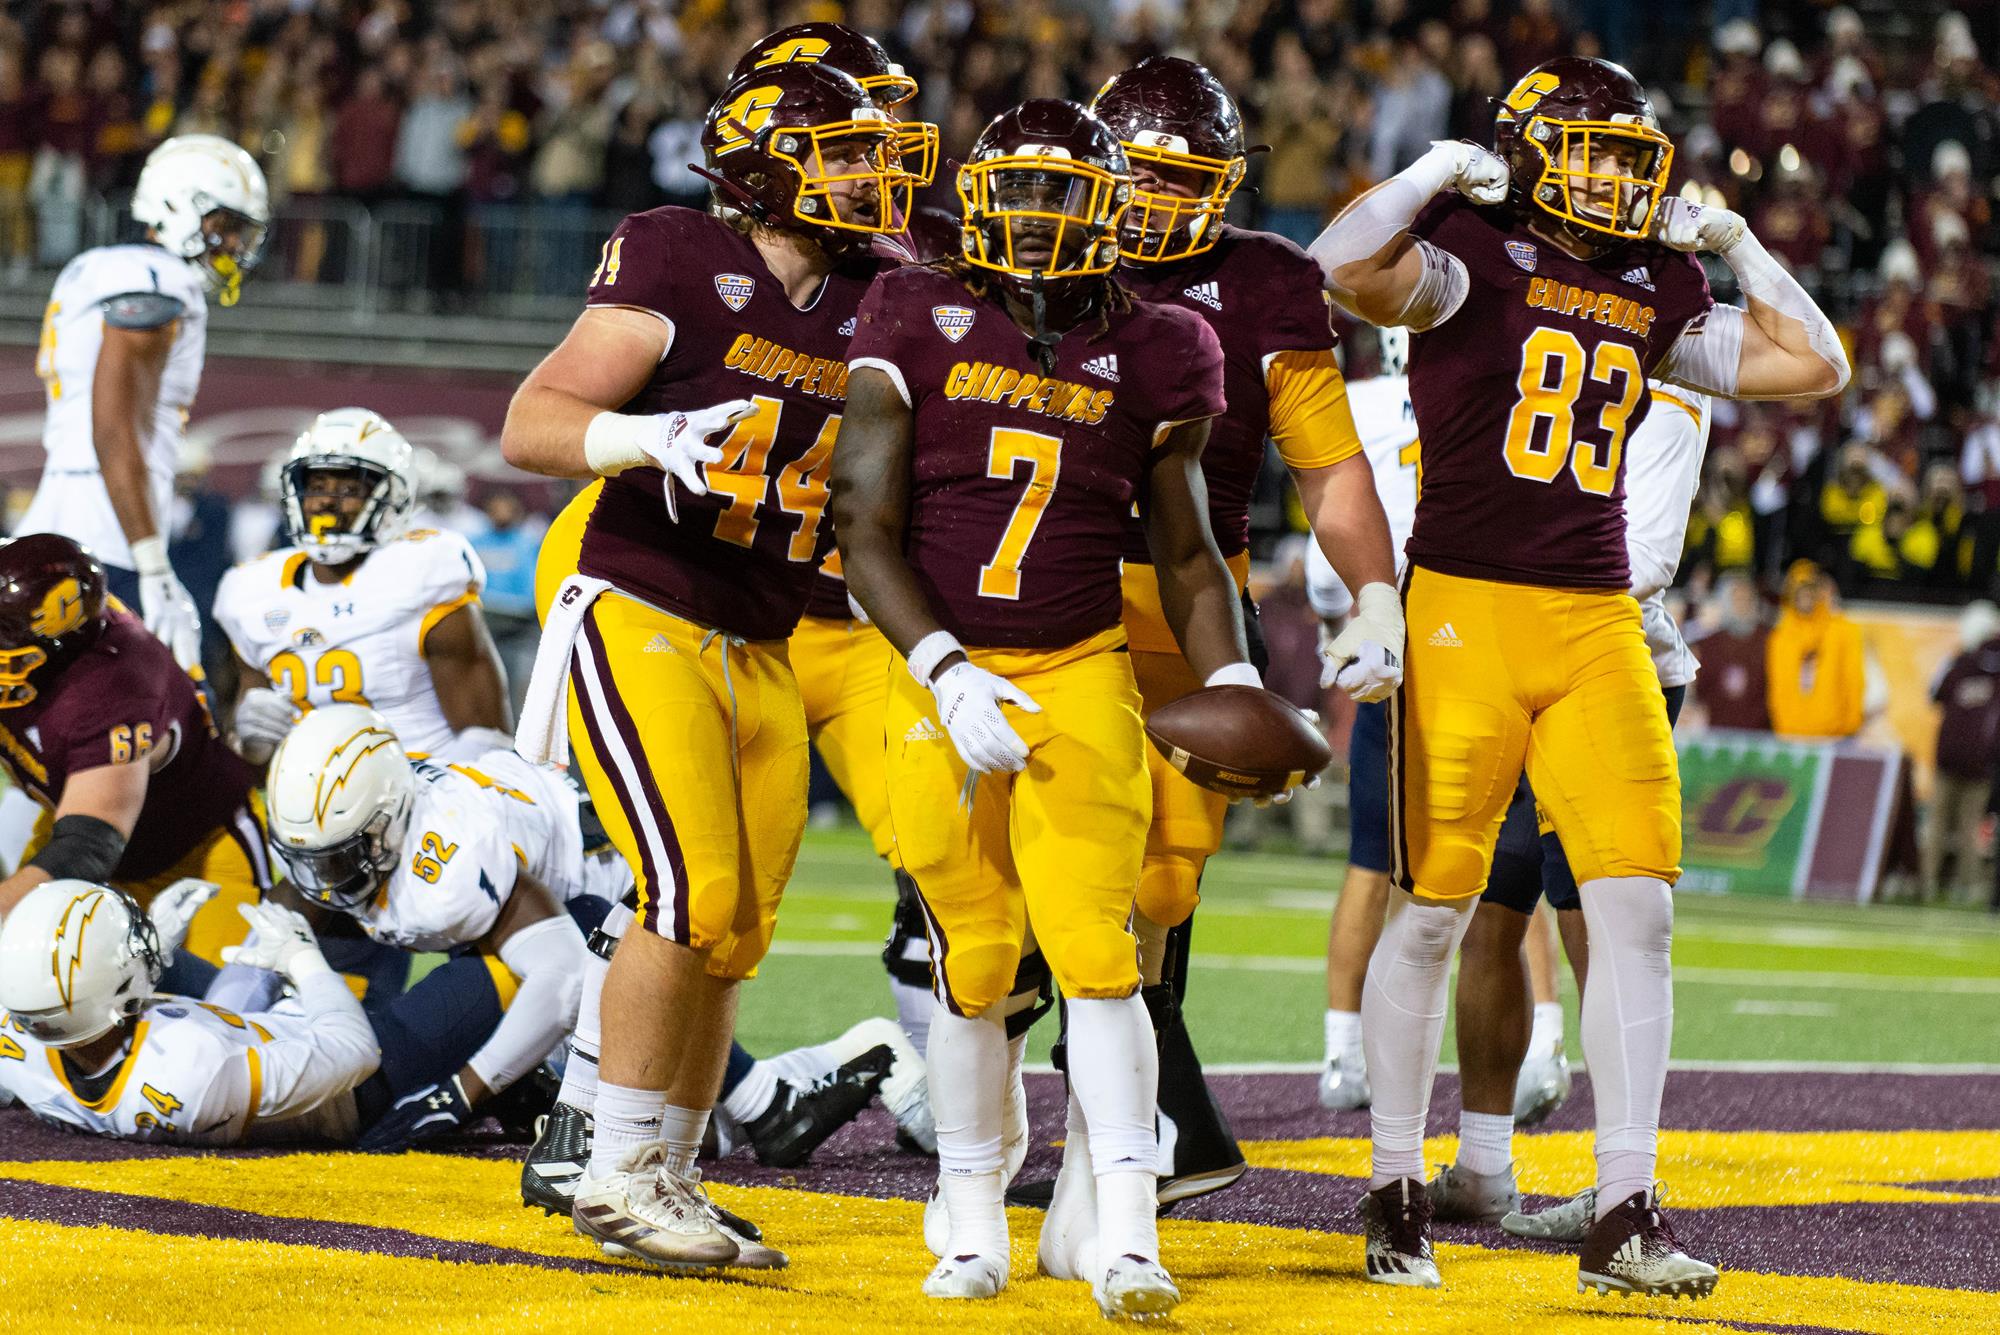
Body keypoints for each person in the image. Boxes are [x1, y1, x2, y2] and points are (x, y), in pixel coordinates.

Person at [1309, 55, 1847, 1296]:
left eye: (1626, 152)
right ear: (1524, 149)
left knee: (1637, 912)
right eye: (1586, 148)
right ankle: (1394, 1186)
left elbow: (1810, 364)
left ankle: (1622, 1210)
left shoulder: (1655, 280)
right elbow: (1339, 263)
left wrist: (1741, 244)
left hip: (1596, 615)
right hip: (1462, 606)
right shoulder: (1468, 251)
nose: (1610, 172)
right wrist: (1435, 168)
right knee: (1437, 906)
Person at [831, 98, 1276, 1319]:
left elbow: (1184, 550)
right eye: (1013, 195)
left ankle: (1126, 1230)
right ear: (977, 204)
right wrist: (941, 668)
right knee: (973, 964)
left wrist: (1226, 672)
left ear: (1106, 209)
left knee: (1097, 954)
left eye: (1058, 196)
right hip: (938, 668)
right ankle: (971, 1216)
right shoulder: (909, 310)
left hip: (1081, 664)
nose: (1032, 225)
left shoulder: (1168, 341)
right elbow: (858, 529)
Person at [500, 62, 916, 1272]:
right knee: (682, 890)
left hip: (767, 633)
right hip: (642, 606)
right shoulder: (679, 253)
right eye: (842, 153)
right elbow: (534, 418)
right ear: (768, 164)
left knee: (734, 925)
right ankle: (613, 1165)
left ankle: (667, 1174)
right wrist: (645, 435)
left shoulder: (879, 296)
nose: (870, 174)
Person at [981, 54, 1396, 1209]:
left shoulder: (1263, 282)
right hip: (1027, 597)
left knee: (1156, 883)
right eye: (1146, 176)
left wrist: (1373, 588)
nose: (1165, 202)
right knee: (1000, 885)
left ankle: (1137, 1135)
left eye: (1190, 177)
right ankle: (1032, 1131)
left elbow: (1331, 466)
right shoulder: (1029, 244)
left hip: (1188, 595)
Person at [1435, 382, 1711, 1234]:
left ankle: (1622, 1177)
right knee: (1490, 902)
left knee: (1598, 914)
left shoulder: (1670, 382)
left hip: (1611, 669)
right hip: (1510, 661)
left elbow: (1647, 559)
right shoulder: (1548, 336)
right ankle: (1483, 1161)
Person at [730, 20, 950, 1075]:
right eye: (850, 125)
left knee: (948, 865)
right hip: (717, 605)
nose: (883, 143)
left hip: (862, 619)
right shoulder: (693, 260)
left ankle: (945, 1114)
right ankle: (602, 1098)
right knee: (664, 880)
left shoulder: (928, 258)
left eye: (881, 120)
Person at [263, 704, 598, 1151]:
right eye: (312, 861)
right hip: (525, 897)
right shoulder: (373, 820)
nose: (324, 880)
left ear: (388, 822)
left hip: (595, 891)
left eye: (338, 858)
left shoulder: (448, 870)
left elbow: (566, 974)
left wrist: (462, 1091)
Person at [18, 135, 268, 671]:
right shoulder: (158, 280)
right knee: (173, 726)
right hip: (106, 545)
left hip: (51, 531)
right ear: (180, 206)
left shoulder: (94, 266)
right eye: (223, 225)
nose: (232, 245)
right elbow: (113, 426)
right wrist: (152, 563)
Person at [0, 535, 268, 979]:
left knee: (224, 1010)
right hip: (70, 808)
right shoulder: (50, 634)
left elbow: (88, 846)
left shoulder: (111, 687)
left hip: (194, 855)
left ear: (54, 645)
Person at [211, 409, 512, 767]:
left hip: (425, 791)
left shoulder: (422, 573)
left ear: (394, 498)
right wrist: (251, 743)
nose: (326, 500)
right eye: (317, 487)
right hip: (307, 797)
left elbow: (486, 741)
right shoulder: (252, 591)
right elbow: (247, 755)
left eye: (349, 488)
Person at [0, 883, 376, 1144]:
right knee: (433, 1002)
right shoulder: (195, 1064)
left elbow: (72, 1003)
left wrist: (145, 959)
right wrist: (306, 961)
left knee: (282, 914)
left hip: (196, 1062)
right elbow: (355, 1049)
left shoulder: (17, 1041)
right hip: (342, 1093)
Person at [1303, 326, 1420, 1113]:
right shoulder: (1492, 382)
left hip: (1390, 641)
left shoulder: (1370, 402)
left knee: (1372, 859)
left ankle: (1344, 1049)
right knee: (1503, 871)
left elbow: (1322, 563)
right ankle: (1540, 1045)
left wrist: (1335, 614)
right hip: (1478, 632)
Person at [1924, 602, 2000, 902]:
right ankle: (1969, 887)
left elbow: (1934, 693)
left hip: (1950, 756)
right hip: (1983, 760)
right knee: (1970, 826)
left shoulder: (1958, 661)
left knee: (1939, 823)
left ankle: (1929, 884)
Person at [1767, 560, 1869, 740]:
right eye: (1799, 592)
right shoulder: (1780, 637)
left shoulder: (1842, 631)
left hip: (1834, 735)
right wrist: (1781, 726)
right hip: (1790, 735)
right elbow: (1776, 687)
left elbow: (1854, 679)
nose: (1805, 597)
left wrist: (1851, 725)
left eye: (1810, 591)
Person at [1688, 572, 1772, 730]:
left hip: (1759, 733)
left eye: (1747, 600)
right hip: (1718, 733)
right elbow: (1699, 691)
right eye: (1737, 600)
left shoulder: (1768, 640)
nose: (1743, 606)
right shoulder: (1708, 645)